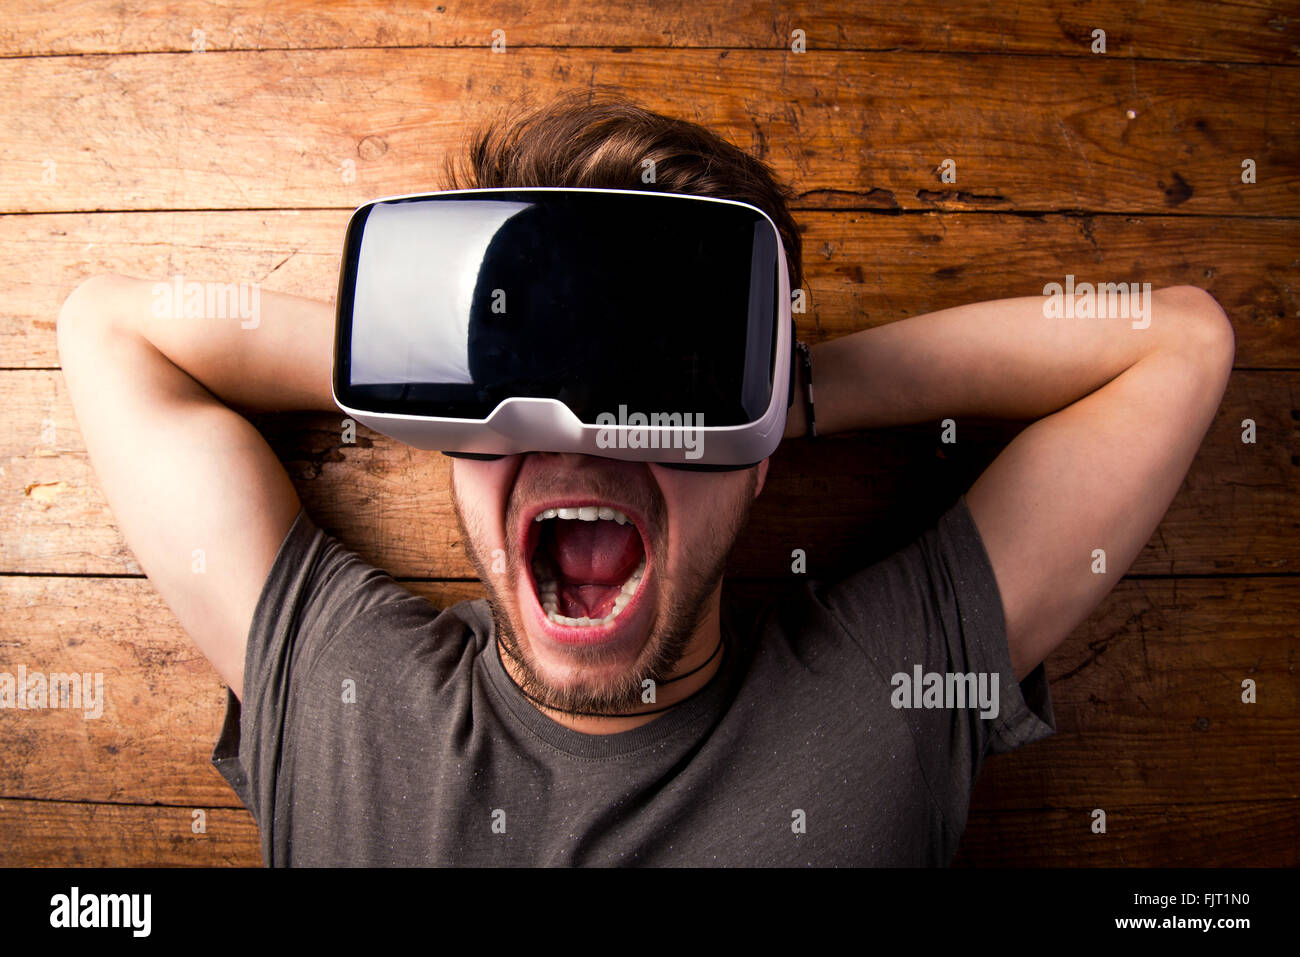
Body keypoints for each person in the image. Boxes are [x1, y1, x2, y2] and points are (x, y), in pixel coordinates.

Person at [56, 92, 1234, 866]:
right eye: (527, 386)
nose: (584, 430)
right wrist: (470, 354)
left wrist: (772, 381)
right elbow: (111, 330)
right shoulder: (343, 695)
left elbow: (1173, 343)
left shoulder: (887, 694)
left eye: (652, 390)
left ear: (762, 457)